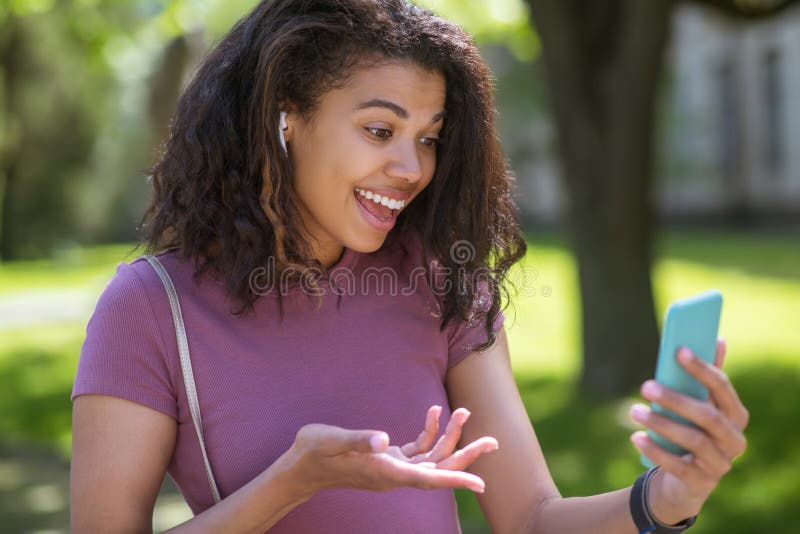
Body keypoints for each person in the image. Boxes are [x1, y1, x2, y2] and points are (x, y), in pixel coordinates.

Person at [69, 1, 750, 532]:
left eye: (428, 139)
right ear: (286, 121)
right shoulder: (151, 309)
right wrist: (293, 481)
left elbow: (534, 520)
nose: (411, 168)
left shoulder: (442, 286)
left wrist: (662, 499)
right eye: (379, 130)